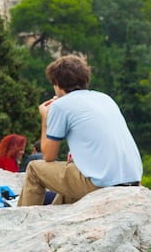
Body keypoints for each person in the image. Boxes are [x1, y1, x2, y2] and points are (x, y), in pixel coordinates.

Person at [20, 55, 143, 206]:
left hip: (101, 184)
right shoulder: (105, 98)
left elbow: (48, 156)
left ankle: (22, 224)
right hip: (132, 180)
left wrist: (46, 119)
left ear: (57, 84)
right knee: (72, 173)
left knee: (34, 169)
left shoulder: (61, 105)